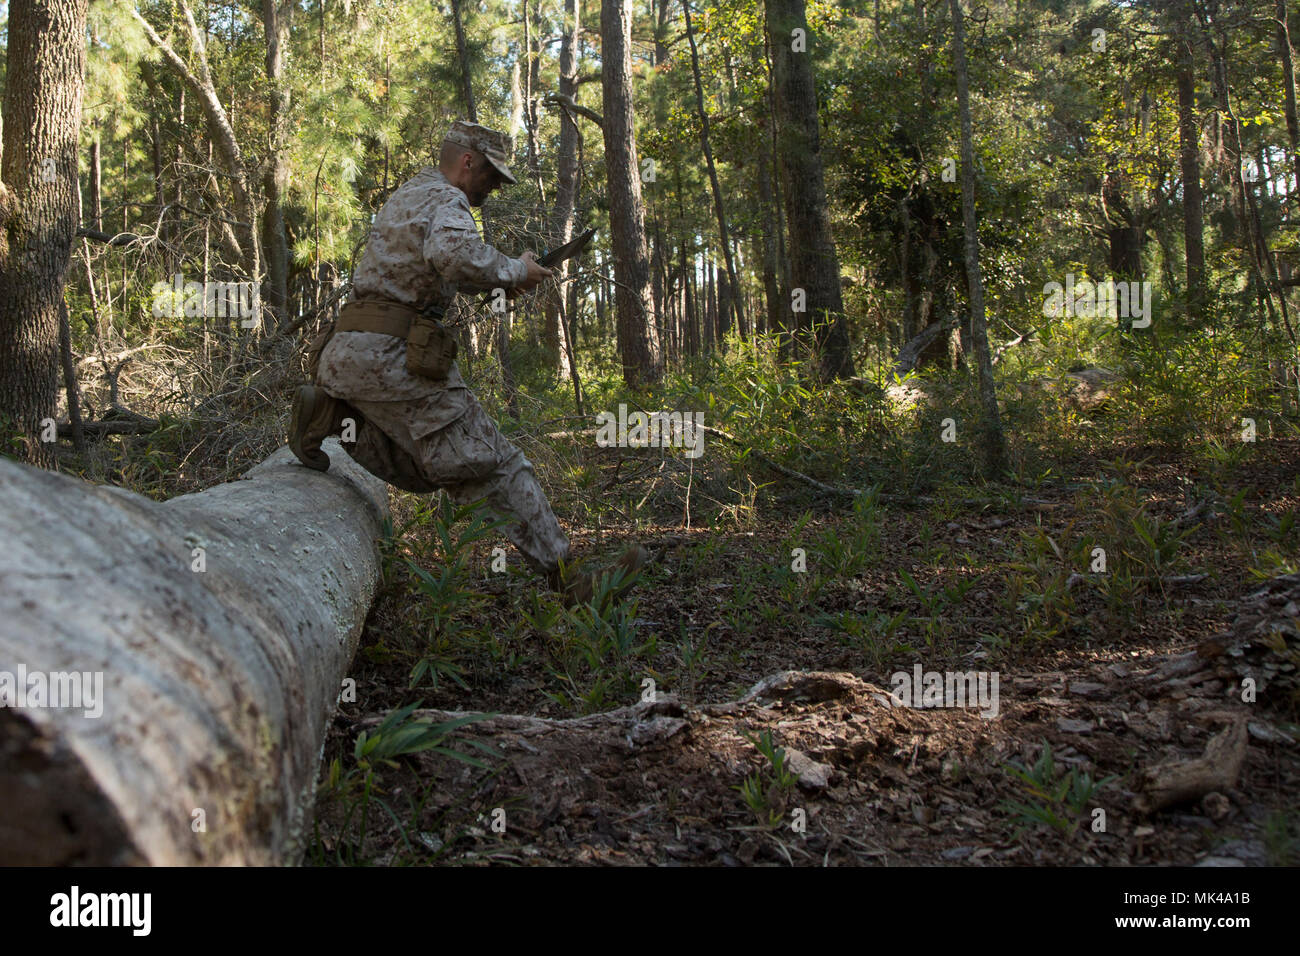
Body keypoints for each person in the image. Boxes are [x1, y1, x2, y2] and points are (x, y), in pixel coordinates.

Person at [289, 120, 645, 605]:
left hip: (345, 355)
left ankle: (338, 415)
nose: (494, 188)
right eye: (492, 177)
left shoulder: (411, 194)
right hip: (392, 361)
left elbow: (429, 264)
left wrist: (504, 278)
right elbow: (454, 256)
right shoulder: (448, 200)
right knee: (496, 462)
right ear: (467, 162)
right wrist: (516, 268)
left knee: (431, 469)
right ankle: (574, 582)